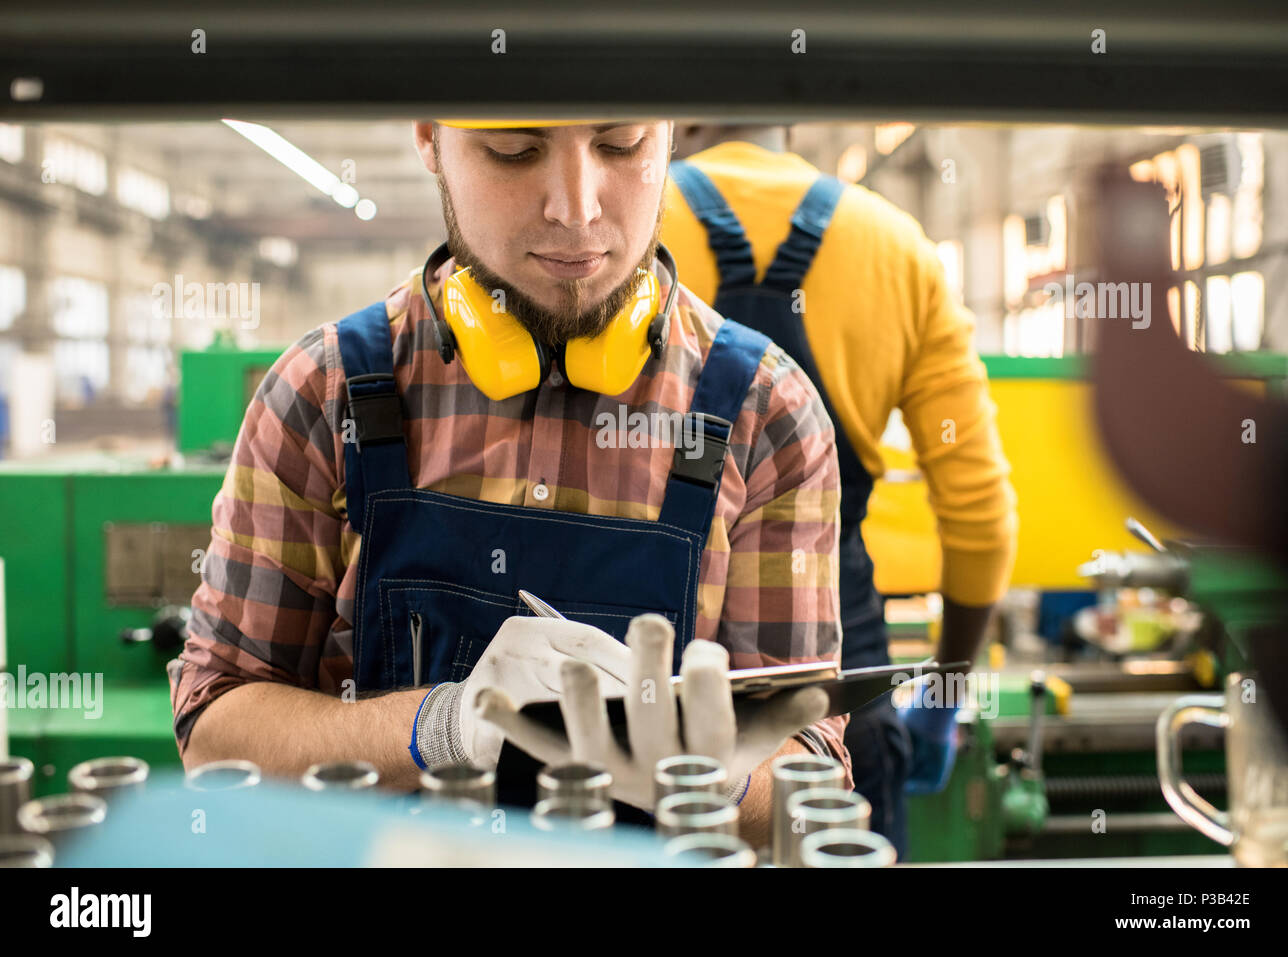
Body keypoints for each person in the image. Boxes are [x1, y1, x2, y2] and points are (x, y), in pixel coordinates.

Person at [168, 119, 850, 846]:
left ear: (671, 132)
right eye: (513, 150)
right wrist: (444, 723)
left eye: (622, 146)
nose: (576, 208)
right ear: (430, 138)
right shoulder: (321, 396)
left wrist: (712, 776)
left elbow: (813, 801)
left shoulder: (764, 413)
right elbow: (214, 734)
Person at [662, 124, 1018, 858]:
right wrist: (943, 699)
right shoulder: (896, 247)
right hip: (837, 673)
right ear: (792, 116)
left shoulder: (624, 224)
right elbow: (982, 523)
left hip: (648, 657)